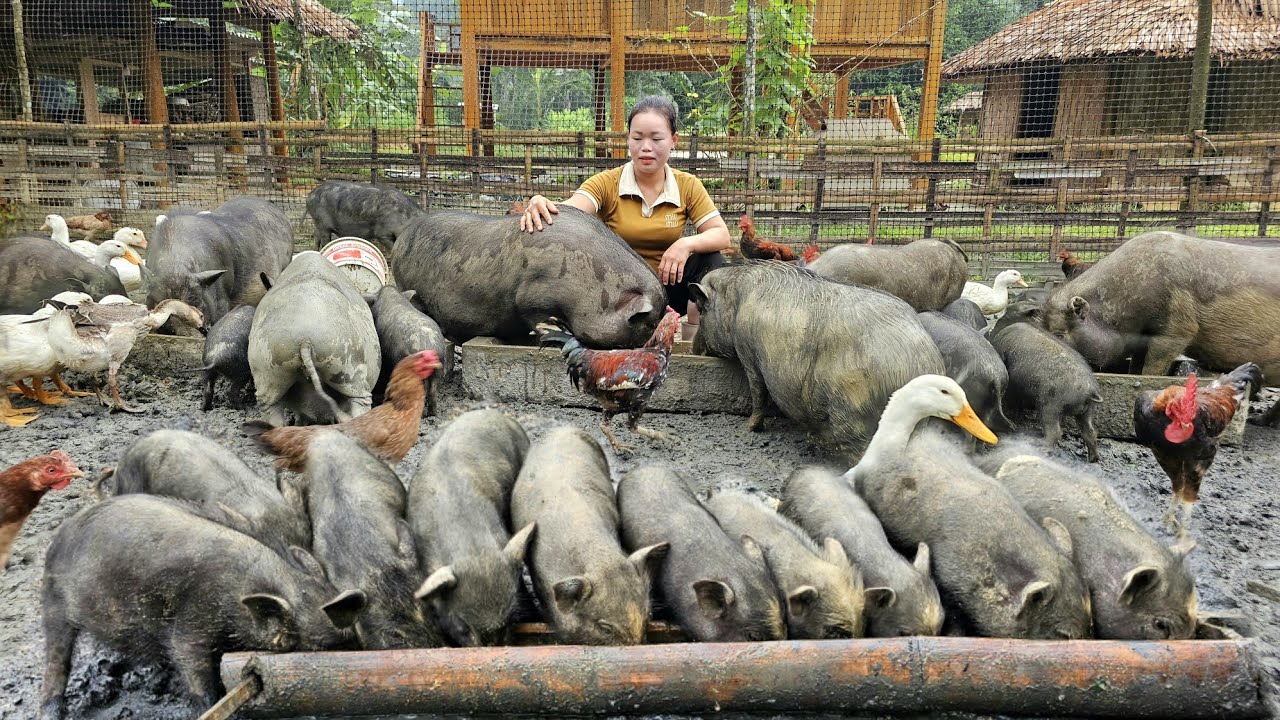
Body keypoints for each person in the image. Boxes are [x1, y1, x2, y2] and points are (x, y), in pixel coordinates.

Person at [519, 95, 731, 332]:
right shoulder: (607, 182)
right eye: (637, 138)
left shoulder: (688, 185)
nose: (646, 147)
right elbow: (569, 212)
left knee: (711, 260)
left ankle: (695, 338)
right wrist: (541, 202)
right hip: (617, 293)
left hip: (669, 289)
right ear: (628, 139)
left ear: (674, 140)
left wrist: (685, 244)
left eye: (656, 138)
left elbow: (721, 234)